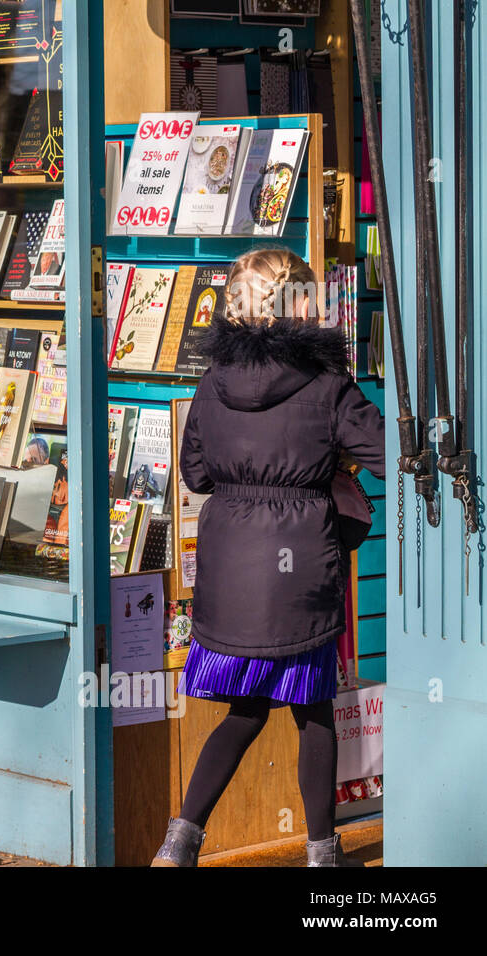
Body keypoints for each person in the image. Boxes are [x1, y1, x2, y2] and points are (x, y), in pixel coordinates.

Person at [151, 248, 384, 868]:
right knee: (313, 710)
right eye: (310, 295)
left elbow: (196, 474)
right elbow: (389, 454)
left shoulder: (210, 383)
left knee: (247, 707)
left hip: (230, 567)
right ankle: (321, 852)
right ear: (294, 305)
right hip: (300, 565)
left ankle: (181, 841)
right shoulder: (329, 385)